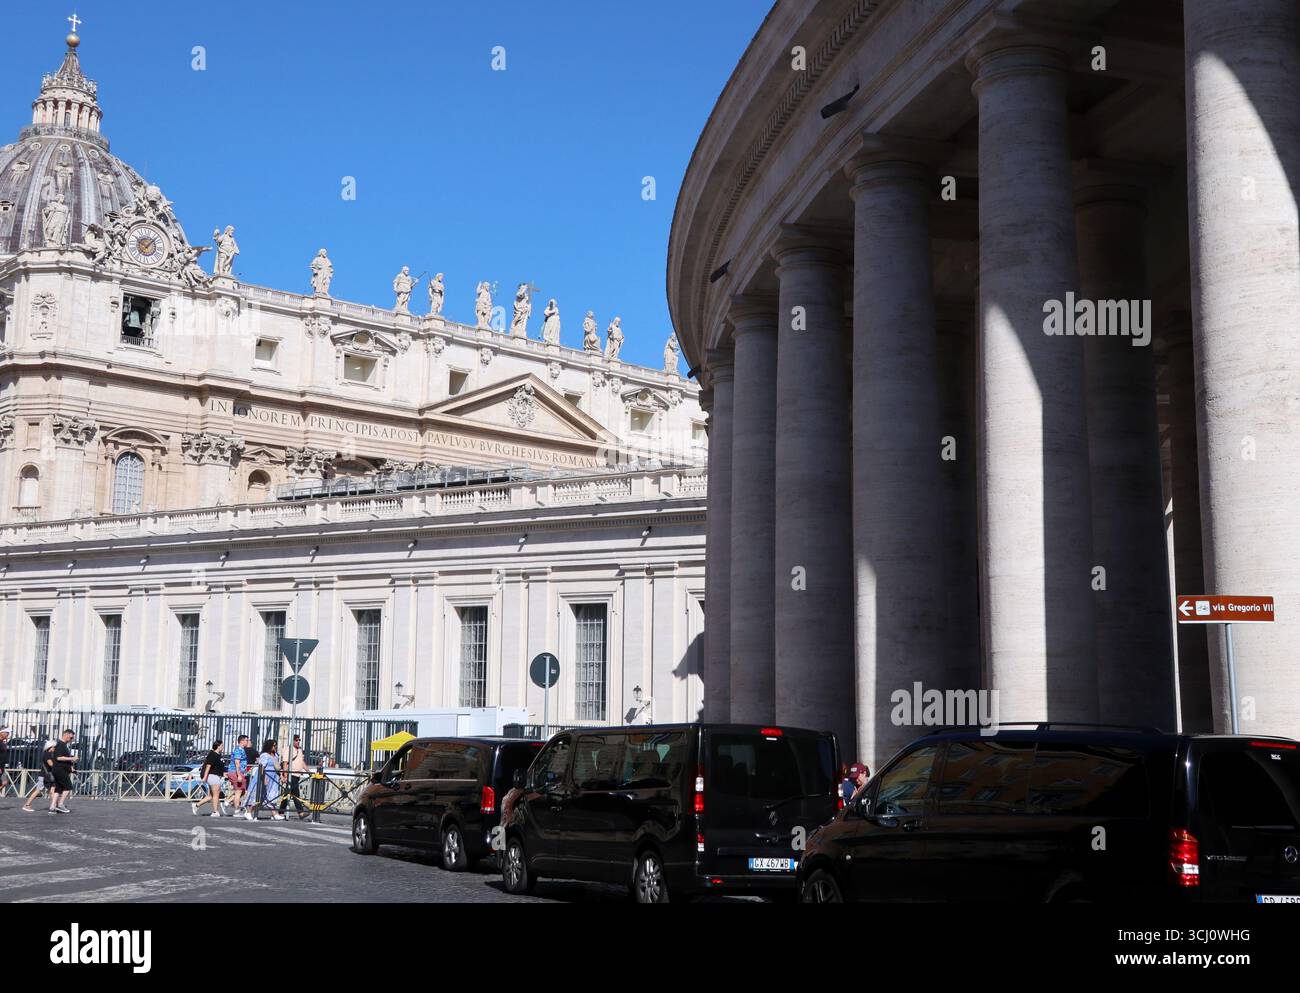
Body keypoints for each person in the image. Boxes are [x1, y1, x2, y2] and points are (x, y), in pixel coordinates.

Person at [244, 739, 284, 821]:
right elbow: (261, 767)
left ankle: (274, 813)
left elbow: (277, 767)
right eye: (273, 745)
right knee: (258, 795)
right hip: (265, 776)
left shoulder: (276, 755)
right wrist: (263, 777)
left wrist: (281, 776)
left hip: (273, 778)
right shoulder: (265, 755)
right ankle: (248, 812)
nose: (275, 747)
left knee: (271, 795)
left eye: (275, 745)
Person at [193, 740, 228, 817]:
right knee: (216, 795)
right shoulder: (212, 754)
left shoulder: (218, 755)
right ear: (218, 746)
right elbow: (208, 766)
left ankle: (196, 805)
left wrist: (223, 774)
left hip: (216, 775)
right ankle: (215, 812)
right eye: (222, 745)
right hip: (212, 776)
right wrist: (205, 777)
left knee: (211, 795)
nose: (223, 747)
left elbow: (218, 767)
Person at [46, 729, 76, 814]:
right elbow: (59, 758)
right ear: (66, 734)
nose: (71, 739)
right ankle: (60, 804)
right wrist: (72, 758)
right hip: (60, 769)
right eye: (71, 737)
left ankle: (52, 807)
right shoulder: (60, 744)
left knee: (58, 789)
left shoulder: (62, 745)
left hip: (59, 769)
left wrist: (70, 765)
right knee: (68, 786)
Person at [279, 735, 308, 820]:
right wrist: (285, 774)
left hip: (297, 775)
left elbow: (302, 762)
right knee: (295, 794)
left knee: (287, 793)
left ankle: (280, 812)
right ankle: (301, 812)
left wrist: (308, 771)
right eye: (296, 740)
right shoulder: (288, 749)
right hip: (291, 774)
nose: (298, 741)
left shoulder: (299, 750)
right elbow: (285, 763)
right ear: (292, 741)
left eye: (299, 740)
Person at [21, 740, 55, 813]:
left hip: (46, 776)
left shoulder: (48, 754)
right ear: (50, 747)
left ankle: (54, 806)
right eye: (54, 747)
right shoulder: (48, 754)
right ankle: (27, 805)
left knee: (52, 791)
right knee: (38, 790)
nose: (55, 748)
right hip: (44, 776)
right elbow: (51, 764)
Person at [227, 734, 251, 810]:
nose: (248, 742)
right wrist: (239, 775)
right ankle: (236, 810)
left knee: (242, 791)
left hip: (239, 772)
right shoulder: (238, 750)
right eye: (247, 740)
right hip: (236, 772)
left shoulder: (241, 749)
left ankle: (227, 802)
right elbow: (237, 763)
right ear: (242, 741)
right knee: (238, 791)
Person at [0, 727, 10, 799]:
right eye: (6, 733)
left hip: (2, 766)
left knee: (4, 782)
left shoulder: (3, 743)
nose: (8, 734)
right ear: (1, 732)